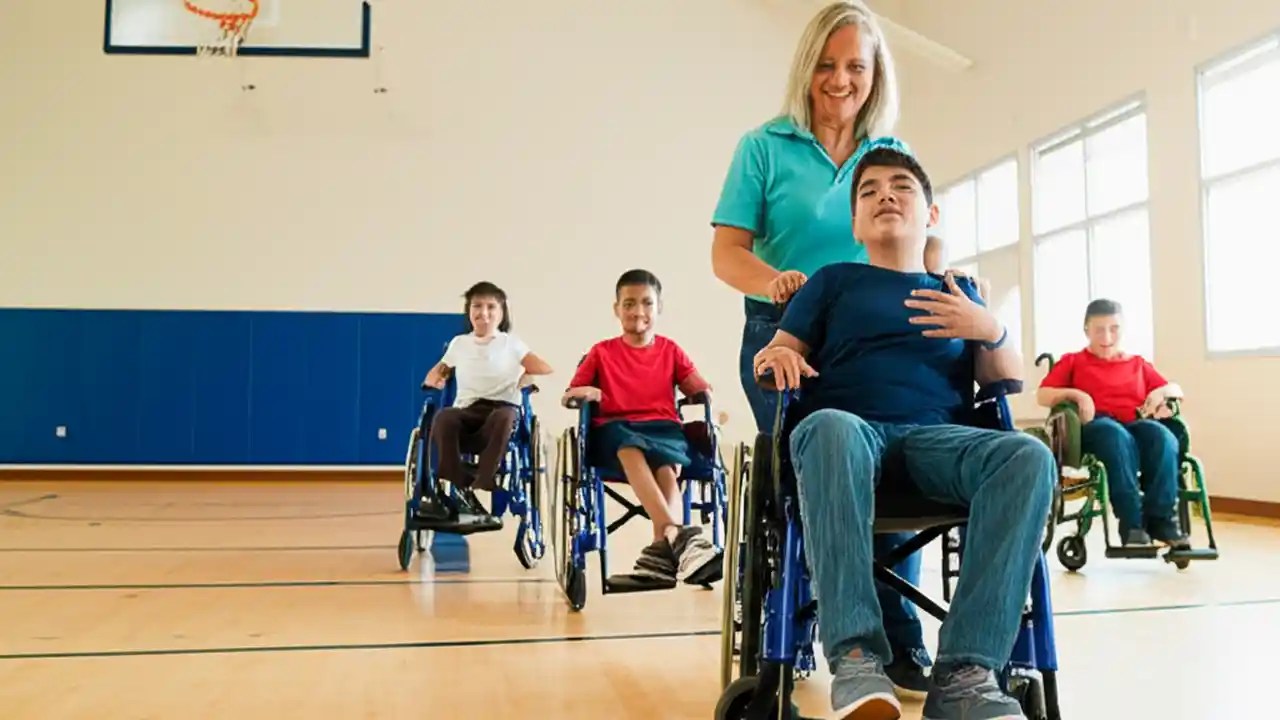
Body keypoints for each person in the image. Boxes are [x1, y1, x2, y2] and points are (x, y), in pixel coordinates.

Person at [754, 147, 1054, 720]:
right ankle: (859, 656)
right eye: (869, 191)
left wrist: (989, 328)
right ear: (855, 223)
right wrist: (775, 357)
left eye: (901, 188)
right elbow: (780, 355)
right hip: (847, 435)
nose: (885, 195)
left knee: (1027, 457)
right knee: (830, 428)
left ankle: (966, 673)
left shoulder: (957, 290)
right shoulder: (833, 282)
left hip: (934, 443)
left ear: (931, 215)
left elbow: (1004, 381)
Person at [708, 0, 931, 692]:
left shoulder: (891, 157)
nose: (841, 79)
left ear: (875, 74)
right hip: (784, 332)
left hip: (879, 334)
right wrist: (780, 285)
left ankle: (898, 640)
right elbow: (726, 253)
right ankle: (802, 621)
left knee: (892, 462)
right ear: (808, 68)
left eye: (856, 66)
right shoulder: (764, 146)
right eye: (828, 65)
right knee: (813, 471)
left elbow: (924, 243)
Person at [562, 270, 723, 587]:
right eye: (630, 303)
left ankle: (661, 548)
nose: (638, 311)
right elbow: (569, 394)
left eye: (647, 303)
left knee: (667, 465)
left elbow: (700, 389)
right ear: (617, 308)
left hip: (662, 428)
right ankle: (677, 533)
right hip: (615, 429)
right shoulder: (601, 352)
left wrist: (703, 395)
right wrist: (586, 393)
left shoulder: (670, 350)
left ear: (659, 306)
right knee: (629, 446)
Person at [1036, 299, 1188, 547]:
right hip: (1096, 426)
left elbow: (1175, 388)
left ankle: (1161, 521)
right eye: (1099, 329)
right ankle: (1132, 525)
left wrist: (1161, 393)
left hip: (1133, 424)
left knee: (1163, 437)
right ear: (1086, 330)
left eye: (1114, 328)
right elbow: (1043, 395)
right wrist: (1077, 395)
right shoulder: (1073, 361)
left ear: (1123, 328)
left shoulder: (1137, 364)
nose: (1107, 336)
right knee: (1115, 435)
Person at [420, 281, 553, 526]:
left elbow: (543, 367)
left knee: (505, 416)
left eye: (491, 307)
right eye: (477, 306)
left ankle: (485, 478)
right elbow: (437, 371)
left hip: (501, 410)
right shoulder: (459, 343)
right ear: (469, 312)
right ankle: (457, 484)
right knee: (444, 417)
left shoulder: (510, 343)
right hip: (468, 411)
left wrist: (527, 375)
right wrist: (434, 379)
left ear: (502, 312)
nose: (484, 313)